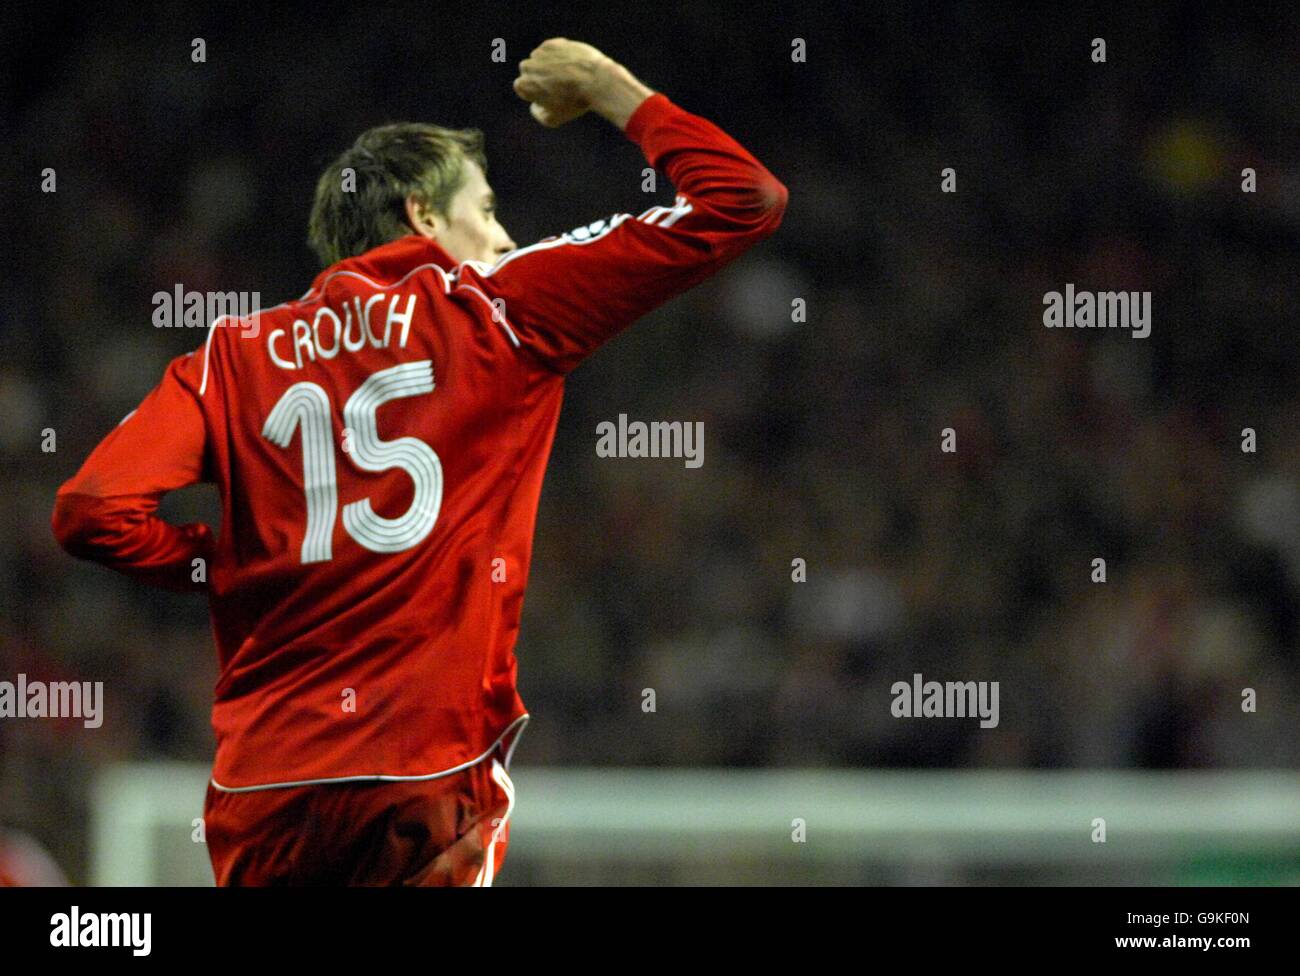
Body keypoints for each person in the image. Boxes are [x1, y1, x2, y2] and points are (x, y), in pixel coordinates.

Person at [52, 38, 787, 886]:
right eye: (488, 208)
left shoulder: (229, 355)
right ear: (423, 219)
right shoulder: (499, 307)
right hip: (424, 776)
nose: (506, 234)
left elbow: (89, 511)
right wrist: (612, 89)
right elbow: (744, 199)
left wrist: (219, 568)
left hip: (266, 786)